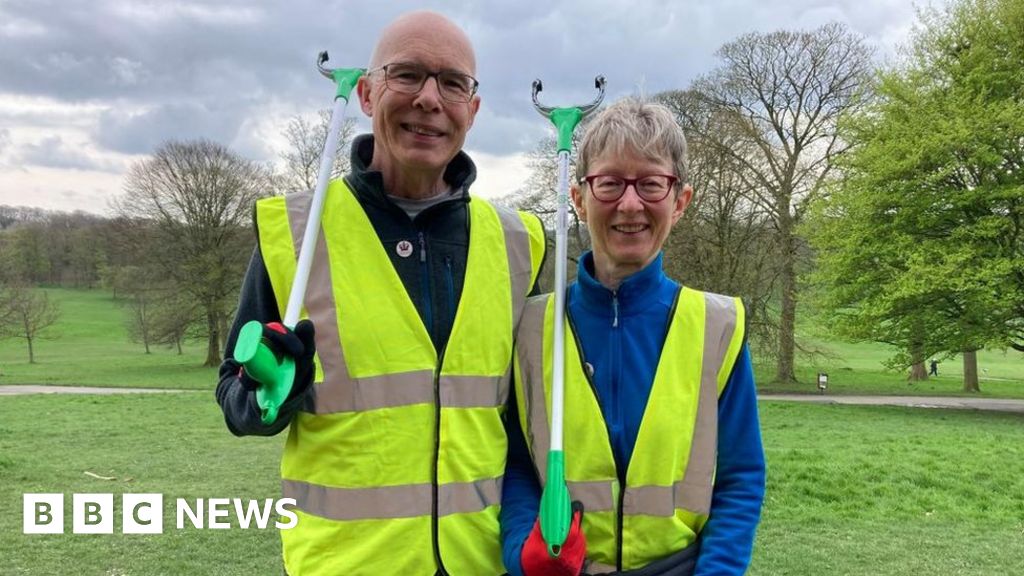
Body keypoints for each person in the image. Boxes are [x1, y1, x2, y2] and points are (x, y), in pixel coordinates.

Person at [215, 11, 546, 575]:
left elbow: (528, 421)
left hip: (480, 562)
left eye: (452, 83)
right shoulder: (297, 234)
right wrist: (269, 392)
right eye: (407, 74)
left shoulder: (521, 244)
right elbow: (235, 398)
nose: (429, 98)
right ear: (367, 95)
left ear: (472, 110)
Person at [501, 99, 766, 576]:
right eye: (609, 183)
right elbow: (517, 463)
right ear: (578, 198)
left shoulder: (718, 326)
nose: (629, 204)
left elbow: (740, 477)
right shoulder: (530, 327)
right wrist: (523, 551)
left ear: (680, 200)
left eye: (651, 183)